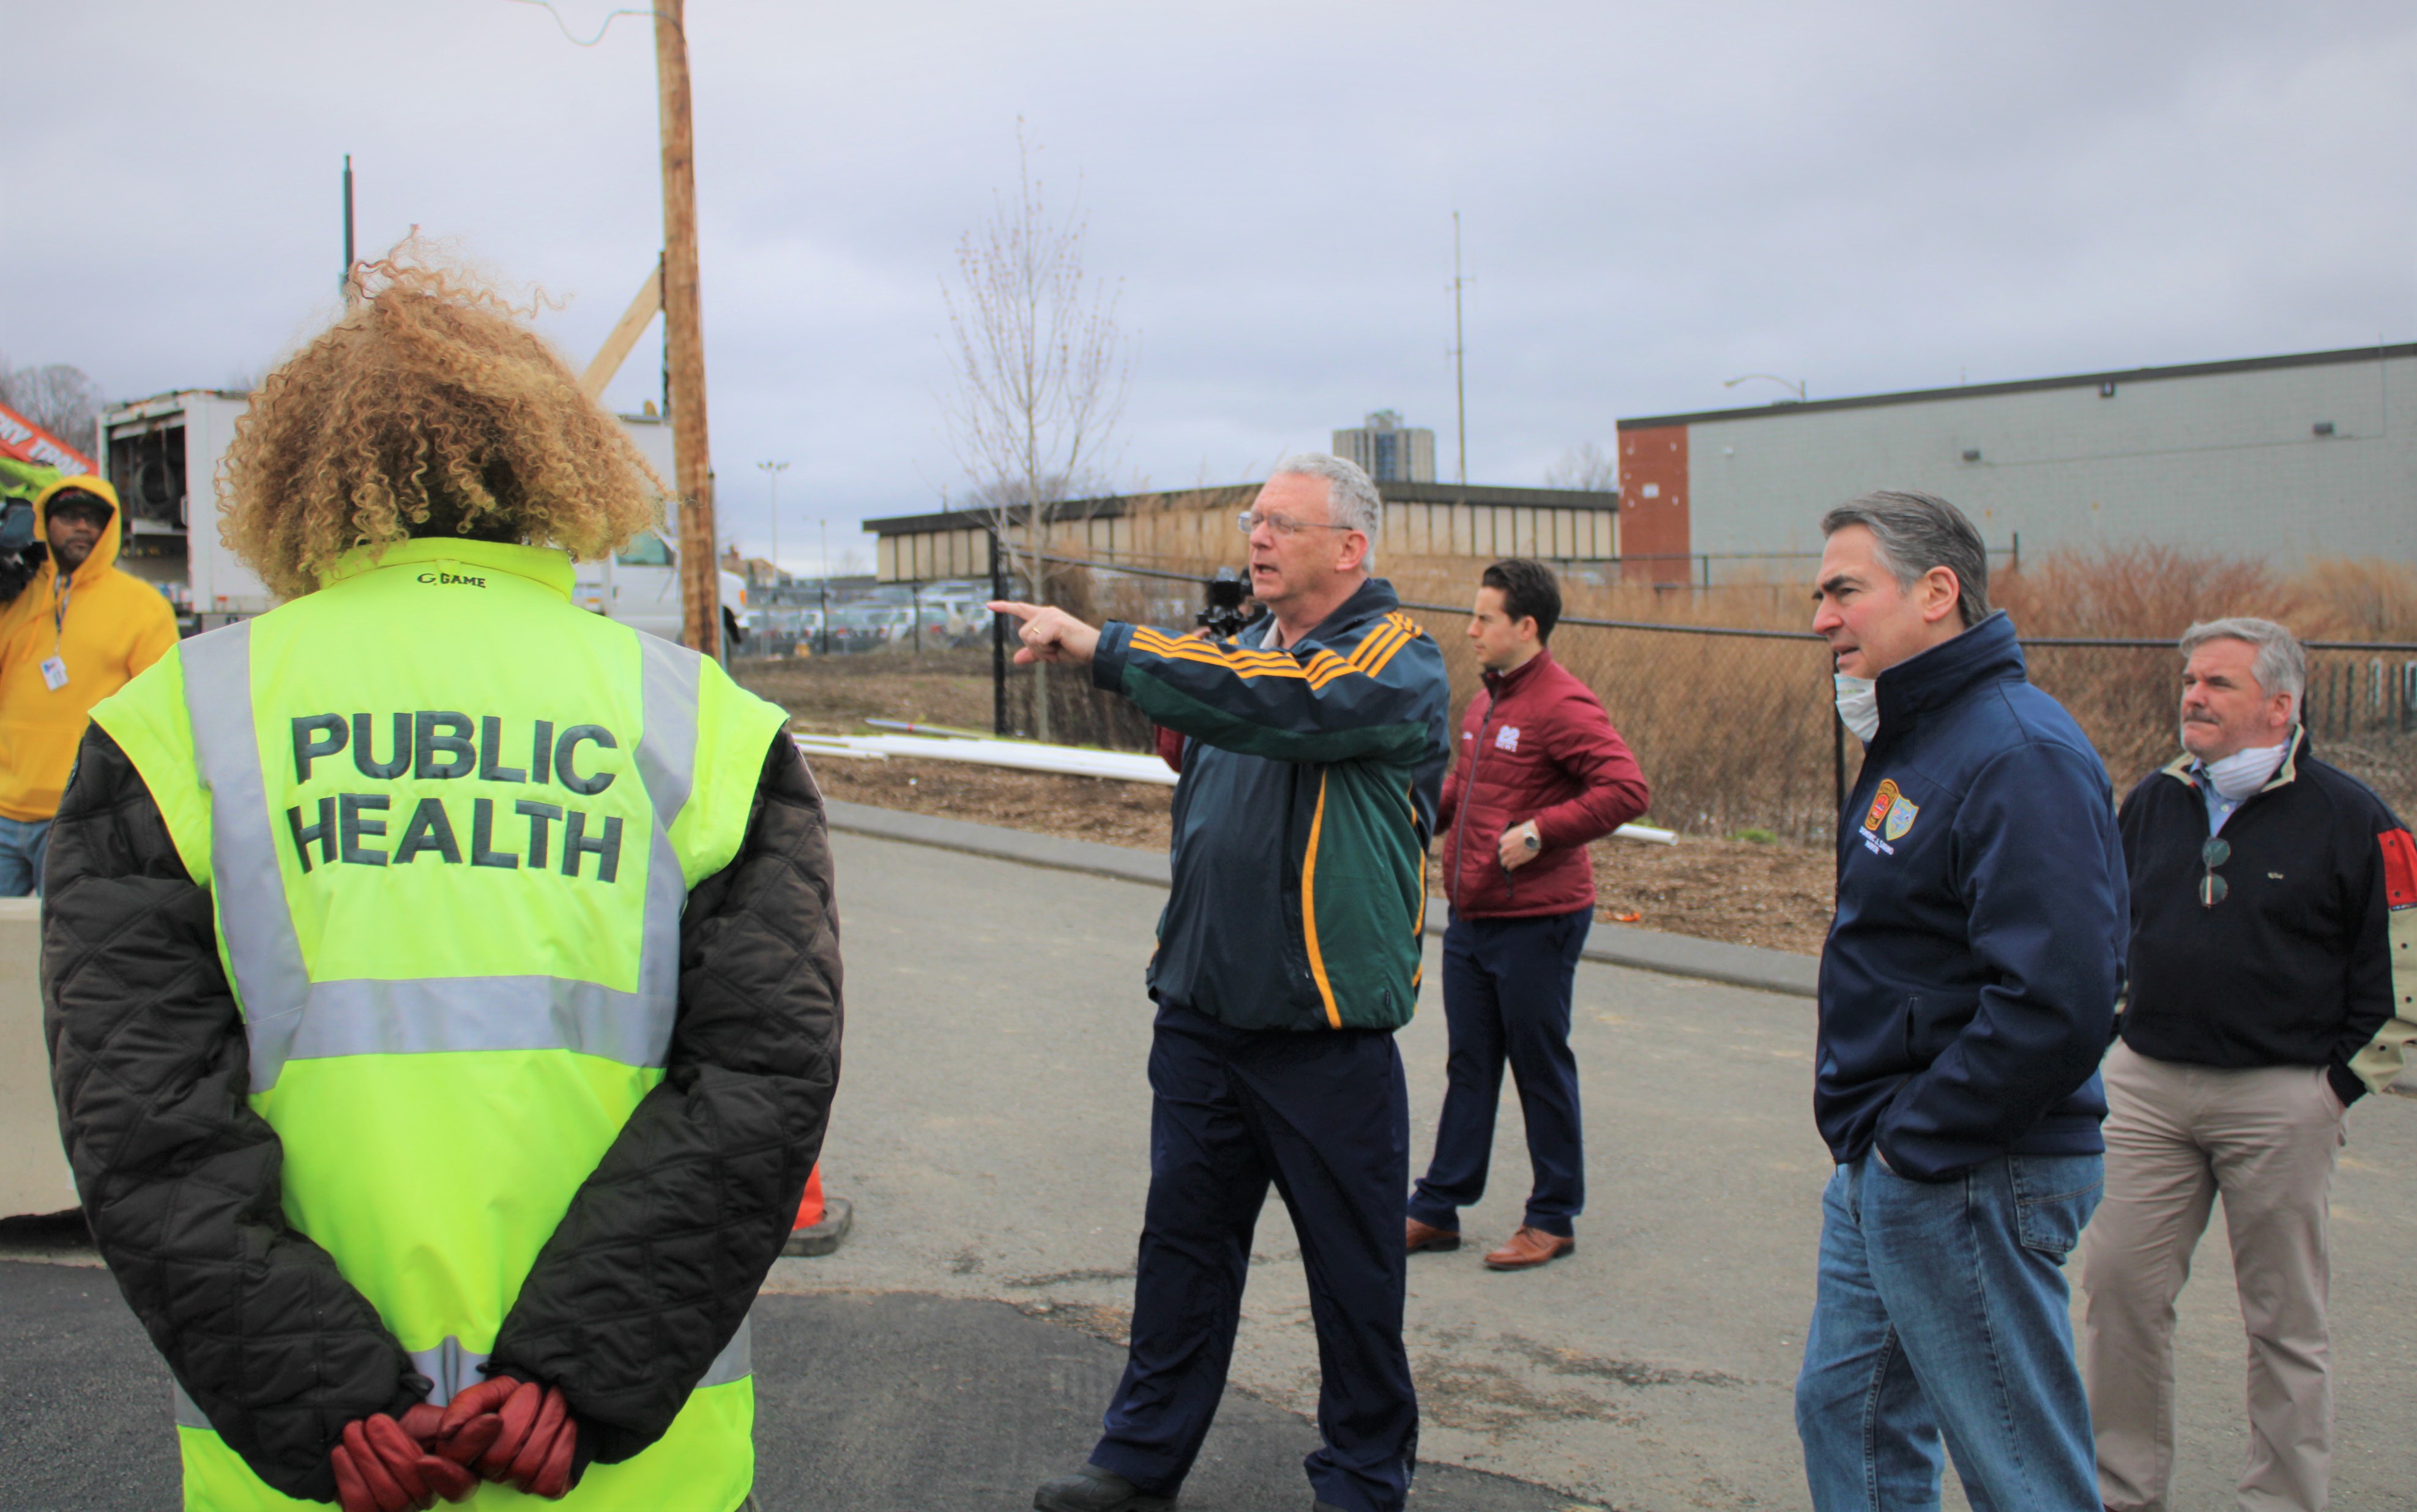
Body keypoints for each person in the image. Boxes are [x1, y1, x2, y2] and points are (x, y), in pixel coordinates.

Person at [43, 256, 843, 1512]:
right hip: (618, 1462)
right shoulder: (707, 726)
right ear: (549, 462)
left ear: (300, 475)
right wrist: (574, 1370)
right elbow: (758, 1082)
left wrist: (326, 1392)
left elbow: (140, 1119)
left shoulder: (176, 726)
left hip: (326, 1464)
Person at [993, 454, 1449, 1512]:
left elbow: (1283, 709)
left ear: (1350, 546)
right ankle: (1139, 1460)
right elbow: (1210, 734)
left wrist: (1105, 645)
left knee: (1353, 1277)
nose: (1258, 538)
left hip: (1323, 1034)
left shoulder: (1394, 660)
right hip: (1200, 1014)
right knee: (1183, 1255)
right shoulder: (1240, 645)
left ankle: (1364, 1478)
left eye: (1283, 523)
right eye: (1254, 519)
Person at [1795, 491, 2125, 1511]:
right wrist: (1883, 1152)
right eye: (1820, 594)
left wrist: (1915, 1144)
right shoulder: (1922, 735)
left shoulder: (2016, 751)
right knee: (1845, 1417)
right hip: (1893, 1161)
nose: (1820, 619)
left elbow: (2061, 995)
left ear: (1936, 592)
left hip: (1972, 1166)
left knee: (2018, 1468)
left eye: (1844, 590)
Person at [2080, 617, 2414, 1512]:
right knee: (2117, 1290)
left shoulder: (2355, 819)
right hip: (2147, 1088)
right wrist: (2112, 1024)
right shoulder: (2152, 799)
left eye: (2218, 684)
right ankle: (2120, 1490)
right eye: (2189, 679)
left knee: (2283, 1321)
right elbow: (2105, 924)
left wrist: (2336, 1086)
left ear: (2279, 703)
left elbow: (2406, 972)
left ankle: (2281, 1498)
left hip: (2280, 1099)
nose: (2192, 694)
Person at [1405, 558, 1648, 1270]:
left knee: (1539, 1065)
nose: (1471, 629)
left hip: (1538, 917)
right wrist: (1411, 815)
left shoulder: (1560, 702)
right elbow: (1463, 787)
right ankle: (1437, 1206)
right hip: (1475, 912)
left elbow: (1626, 787)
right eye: (1473, 615)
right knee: (1469, 1064)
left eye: (1484, 617)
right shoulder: (1486, 702)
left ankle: (1552, 1217)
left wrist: (1542, 830)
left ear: (1526, 626)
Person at [0, 475, 179, 893]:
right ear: (44, 523)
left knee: (63, 941)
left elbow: (164, 706)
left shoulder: (142, 606)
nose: (82, 526)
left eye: (93, 518)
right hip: (4, 808)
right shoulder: (16, 592)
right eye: (69, 516)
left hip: (80, 813)